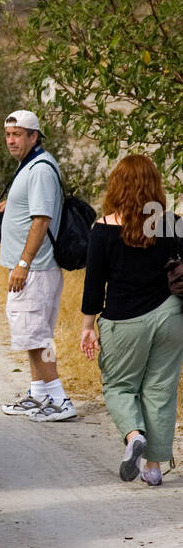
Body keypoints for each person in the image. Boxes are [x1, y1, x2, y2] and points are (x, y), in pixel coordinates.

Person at [80, 154, 183, 486]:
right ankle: (153, 468)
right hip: (170, 316)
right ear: (155, 185)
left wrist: (87, 327)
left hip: (124, 320)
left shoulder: (103, 229)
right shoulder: (171, 224)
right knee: (160, 391)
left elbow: (94, 285)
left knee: (119, 386)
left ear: (117, 186)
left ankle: (133, 435)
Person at [0, 110, 76, 422]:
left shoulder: (40, 169)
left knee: (38, 336)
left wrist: (23, 264)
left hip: (36, 269)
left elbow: (42, 219)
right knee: (31, 334)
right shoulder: (31, 165)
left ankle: (59, 398)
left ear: (34, 136)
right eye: (8, 135)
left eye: (18, 134)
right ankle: (39, 394)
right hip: (32, 269)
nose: (11, 140)